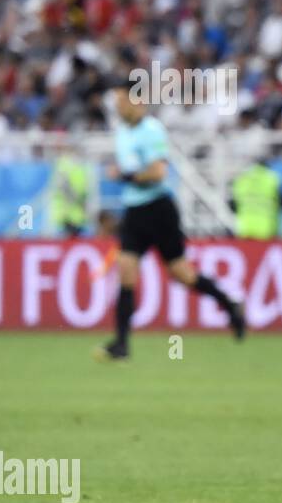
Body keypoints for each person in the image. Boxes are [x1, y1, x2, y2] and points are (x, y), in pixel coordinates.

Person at [95, 85, 245, 361]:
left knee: (182, 274)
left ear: (135, 100)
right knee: (125, 271)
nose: (116, 106)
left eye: (120, 100)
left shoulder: (151, 130)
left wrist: (124, 176)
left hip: (159, 209)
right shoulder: (122, 132)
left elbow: (158, 172)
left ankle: (230, 305)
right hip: (134, 210)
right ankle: (121, 344)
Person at [230, 158, 282, 239]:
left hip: (245, 229)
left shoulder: (242, 179)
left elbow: (232, 206)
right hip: (267, 230)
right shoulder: (272, 179)